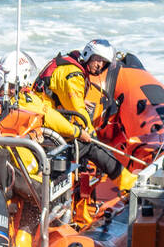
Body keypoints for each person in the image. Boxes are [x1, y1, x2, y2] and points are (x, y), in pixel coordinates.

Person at [32, 40, 135, 190]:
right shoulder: (73, 75)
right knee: (93, 146)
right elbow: (79, 111)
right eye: (97, 59)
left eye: (103, 62)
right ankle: (128, 184)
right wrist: (91, 134)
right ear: (88, 55)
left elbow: (65, 97)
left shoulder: (70, 64)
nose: (100, 65)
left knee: (87, 142)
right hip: (45, 126)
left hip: (45, 117)